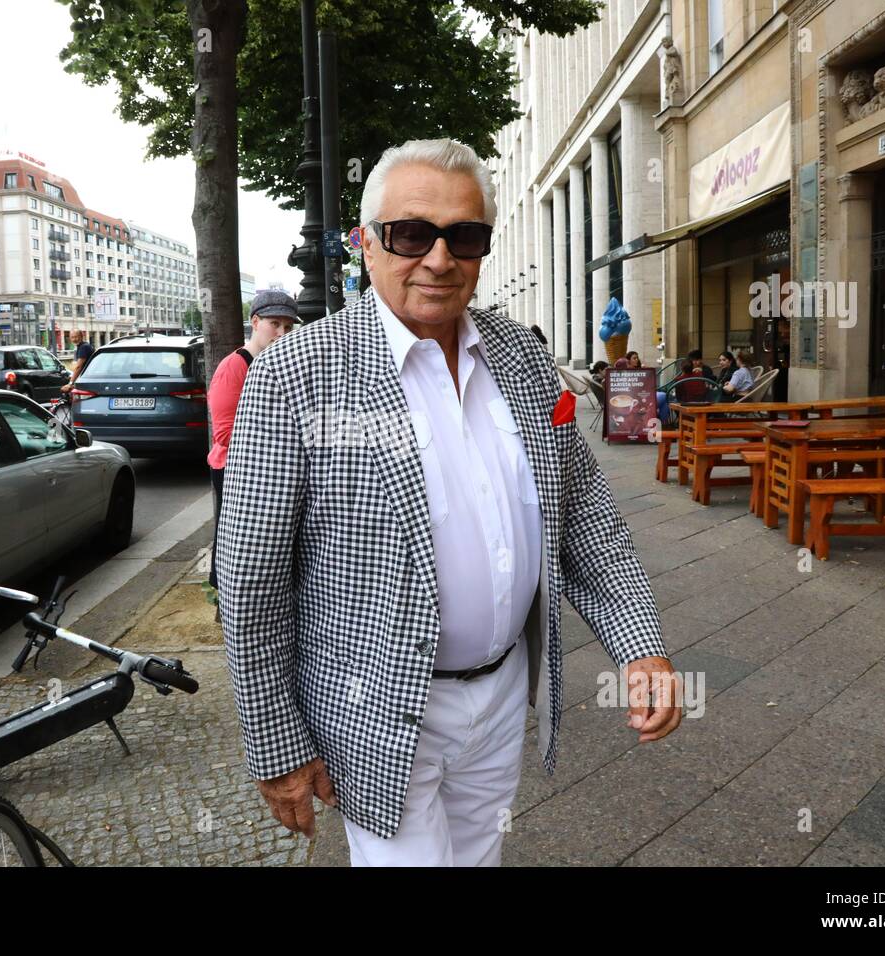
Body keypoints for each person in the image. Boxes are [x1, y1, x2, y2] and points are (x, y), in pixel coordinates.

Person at [217, 137, 680, 867]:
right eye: (410, 234)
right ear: (366, 244)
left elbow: (585, 514)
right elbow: (251, 582)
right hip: (373, 711)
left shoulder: (522, 356)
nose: (438, 258)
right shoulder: (294, 376)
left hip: (502, 695)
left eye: (463, 236)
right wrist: (278, 743)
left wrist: (639, 644)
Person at [206, 289, 298, 592]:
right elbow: (224, 434)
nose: (282, 333)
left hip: (266, 468)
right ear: (256, 322)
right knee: (237, 539)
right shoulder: (234, 367)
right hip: (235, 469)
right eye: (275, 324)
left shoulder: (281, 364)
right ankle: (226, 595)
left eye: (288, 326)